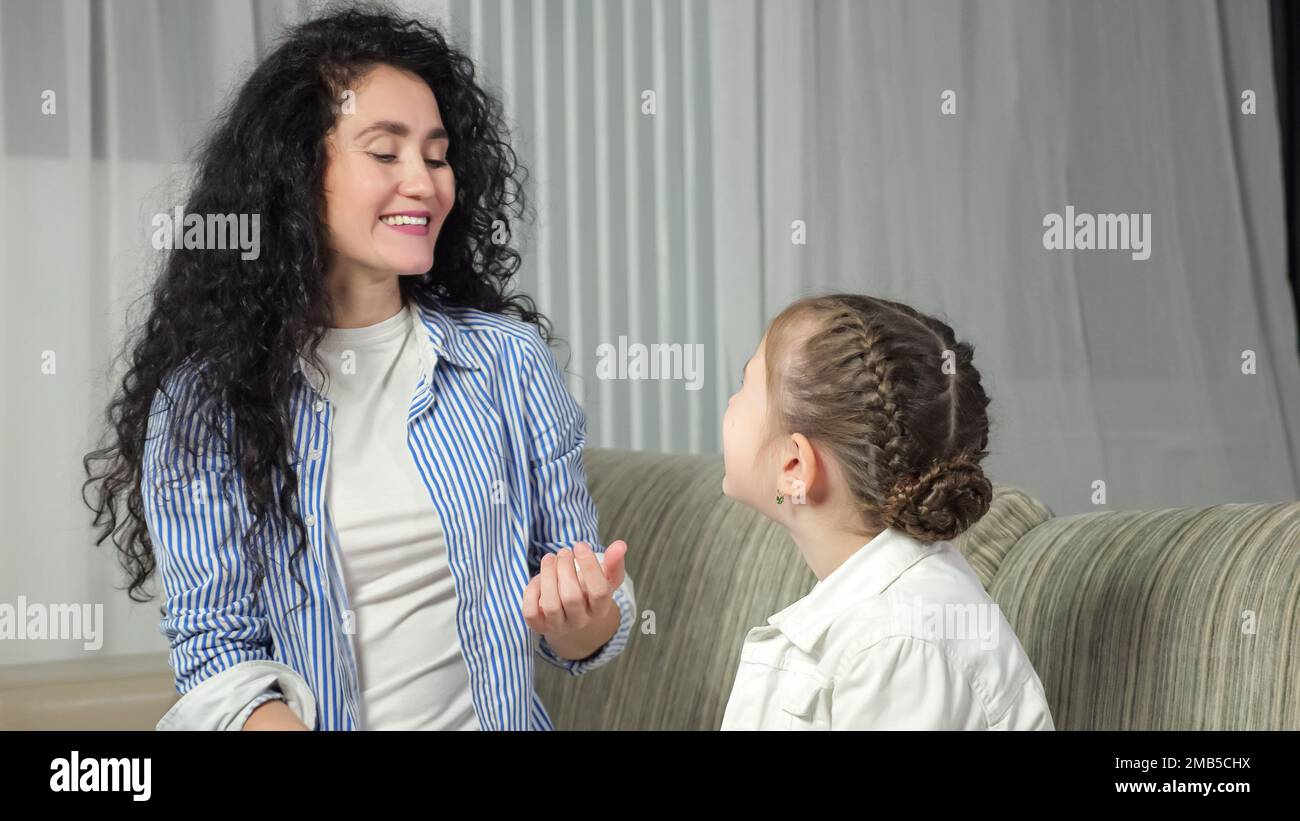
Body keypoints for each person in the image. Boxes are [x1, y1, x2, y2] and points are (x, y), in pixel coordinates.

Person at [82, 5, 635, 731]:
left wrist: (581, 617)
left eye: (436, 156)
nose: (425, 182)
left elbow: (586, 611)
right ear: (298, 175)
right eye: (385, 152)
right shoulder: (206, 403)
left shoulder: (508, 363)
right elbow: (218, 652)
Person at [718, 293, 1054, 730]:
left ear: (794, 468)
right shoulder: (877, 617)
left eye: (745, 385)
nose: (729, 403)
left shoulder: (898, 643)